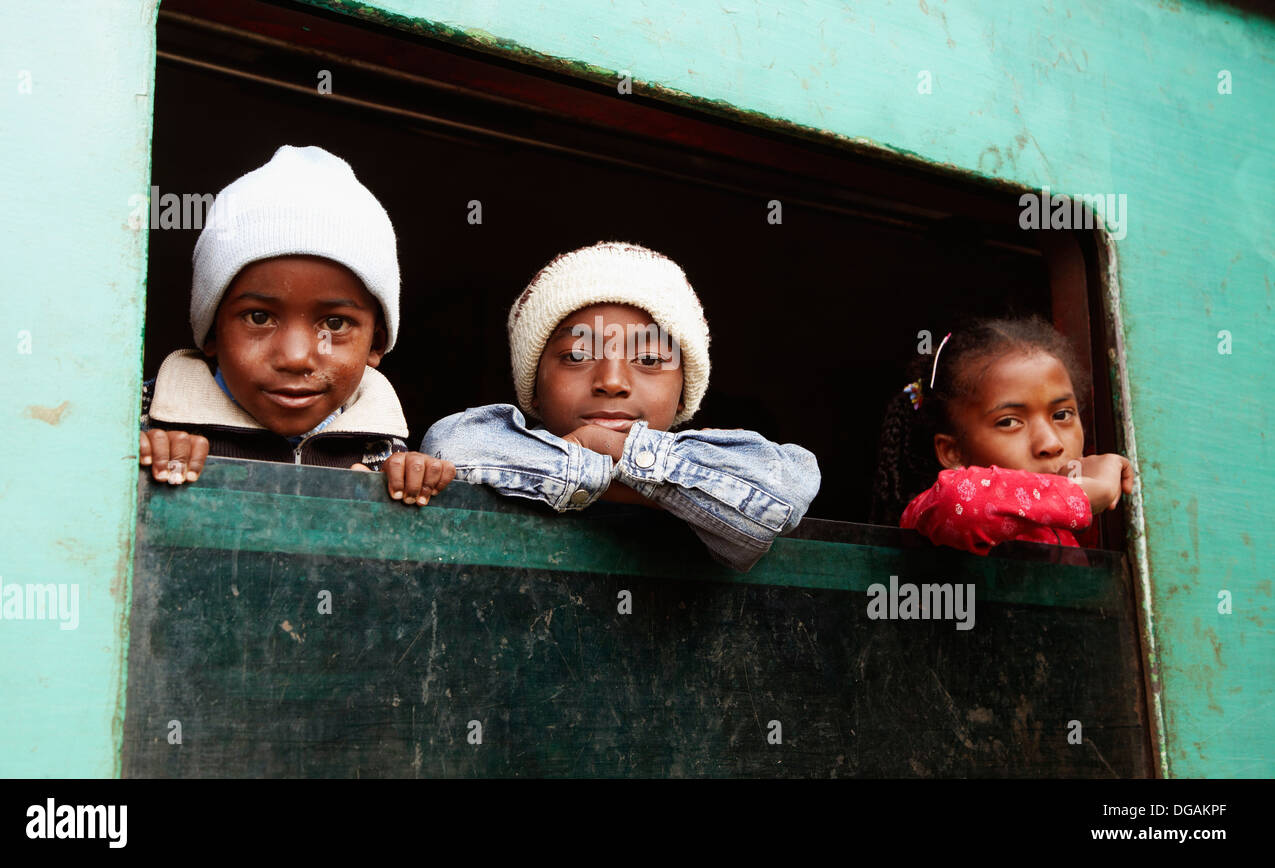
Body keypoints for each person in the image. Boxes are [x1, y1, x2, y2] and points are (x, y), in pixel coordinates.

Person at [419, 241, 821, 573]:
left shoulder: (730, 466)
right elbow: (453, 446)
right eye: (577, 356)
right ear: (534, 388)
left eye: (648, 360)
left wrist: (611, 449)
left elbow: (783, 487)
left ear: (684, 393)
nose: (611, 381)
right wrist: (636, 480)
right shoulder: (483, 441)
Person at [139, 145, 453, 505]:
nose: (296, 357)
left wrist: (410, 490)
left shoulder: (380, 450)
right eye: (259, 317)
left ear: (376, 344)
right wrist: (142, 463)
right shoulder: (148, 420)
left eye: (335, 323)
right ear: (211, 331)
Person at [871, 317, 1133, 556]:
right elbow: (960, 501)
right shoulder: (933, 513)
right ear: (952, 452)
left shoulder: (1069, 532)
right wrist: (1079, 494)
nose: (1051, 444)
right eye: (1009, 422)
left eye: (1063, 415)